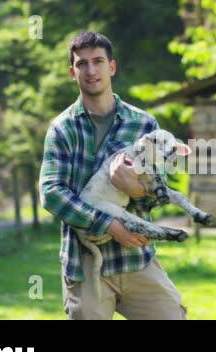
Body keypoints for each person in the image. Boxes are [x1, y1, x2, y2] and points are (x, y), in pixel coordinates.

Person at [39, 32, 187, 320]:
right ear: (73, 72)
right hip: (84, 263)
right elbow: (52, 193)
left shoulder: (144, 123)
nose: (91, 70)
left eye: (98, 61)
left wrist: (136, 191)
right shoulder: (61, 129)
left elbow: (159, 193)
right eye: (82, 64)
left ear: (112, 67)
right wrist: (108, 224)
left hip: (136, 259)